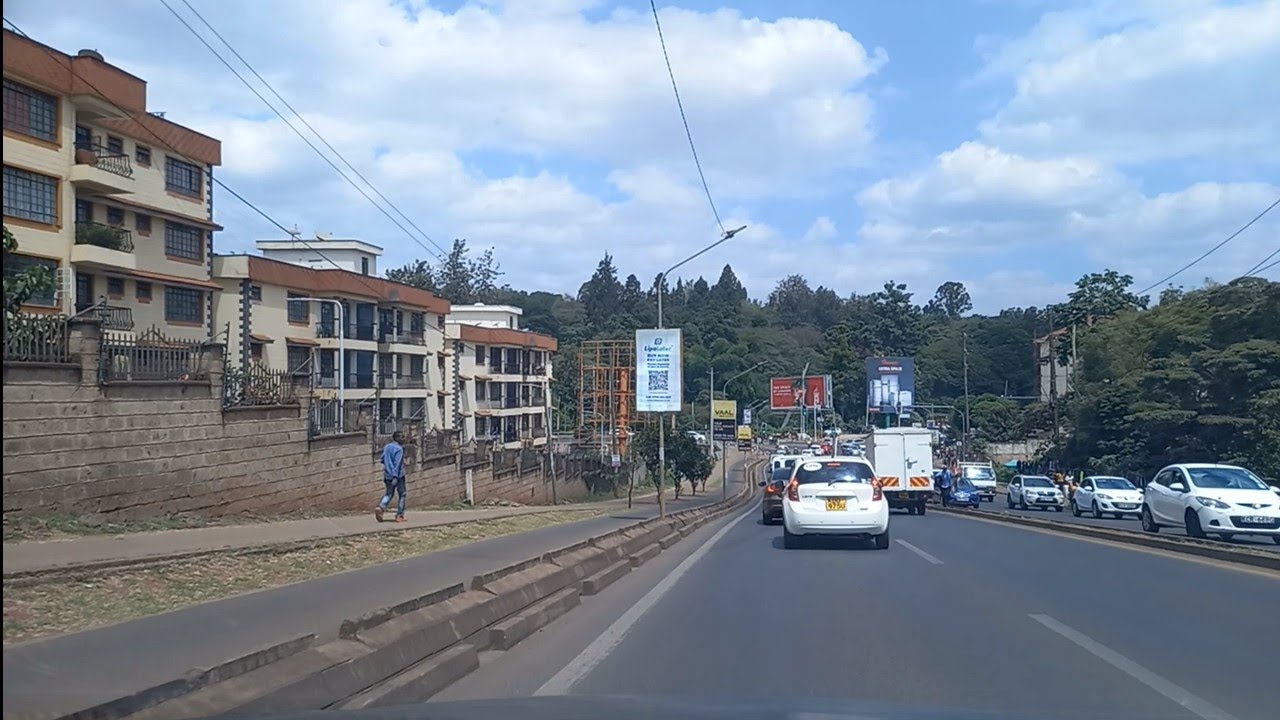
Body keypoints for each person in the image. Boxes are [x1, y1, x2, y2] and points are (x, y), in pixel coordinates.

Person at [376, 431, 407, 523]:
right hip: (398, 475)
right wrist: (395, 476)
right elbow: (397, 464)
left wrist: (388, 465)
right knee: (402, 494)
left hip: (387, 475)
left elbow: (382, 459)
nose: (404, 439)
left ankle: (381, 506)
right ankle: (400, 515)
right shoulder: (399, 449)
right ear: (397, 438)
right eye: (402, 437)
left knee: (389, 493)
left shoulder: (387, 447)